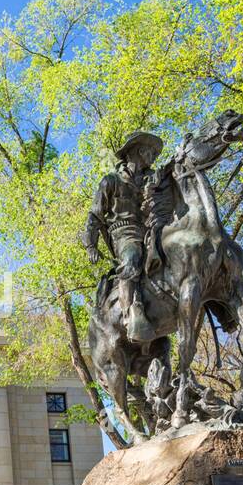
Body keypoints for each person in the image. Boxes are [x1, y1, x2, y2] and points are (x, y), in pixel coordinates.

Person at [84, 131, 163, 342]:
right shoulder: (110, 181)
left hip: (153, 231)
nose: (154, 156)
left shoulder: (153, 180)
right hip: (124, 233)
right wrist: (91, 246)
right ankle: (131, 315)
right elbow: (94, 216)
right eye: (151, 151)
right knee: (132, 257)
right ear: (137, 151)